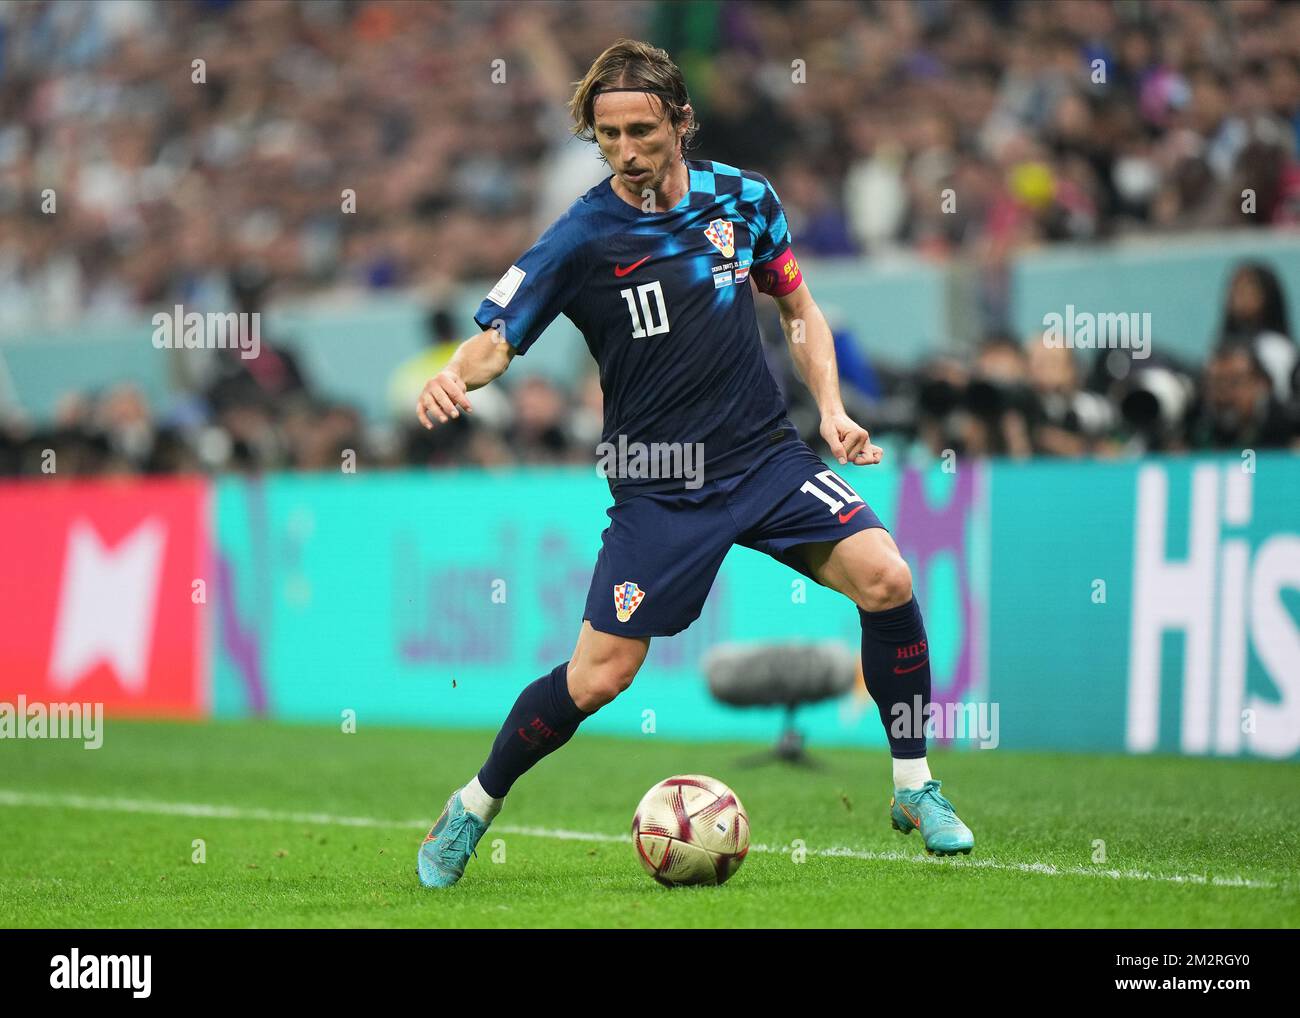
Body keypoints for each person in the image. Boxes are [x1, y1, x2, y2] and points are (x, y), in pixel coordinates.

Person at [413, 39, 973, 888]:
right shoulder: (583, 236)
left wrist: (830, 410)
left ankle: (914, 786)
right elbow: (496, 339)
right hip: (660, 488)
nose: (627, 151)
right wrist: (452, 376)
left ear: (681, 120)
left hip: (764, 460)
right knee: (598, 679)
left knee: (887, 577)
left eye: (642, 130)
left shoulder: (744, 201)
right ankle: (473, 806)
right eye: (607, 136)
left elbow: (798, 310)